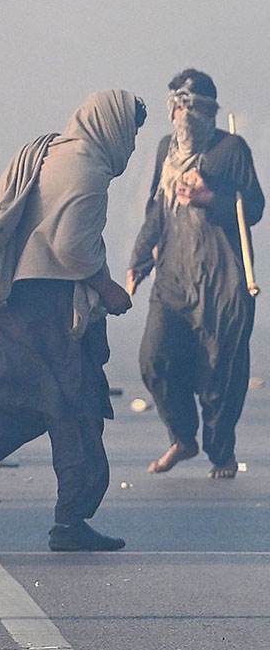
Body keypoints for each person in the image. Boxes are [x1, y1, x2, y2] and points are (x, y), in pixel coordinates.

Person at [0, 91, 147, 551]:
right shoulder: (88, 173)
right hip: (50, 309)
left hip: (19, 303)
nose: (134, 144)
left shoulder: (47, 151)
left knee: (26, 408)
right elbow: (72, 249)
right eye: (134, 132)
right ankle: (69, 520)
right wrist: (107, 289)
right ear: (114, 125)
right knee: (76, 411)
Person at [128, 69, 262, 479]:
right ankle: (182, 437)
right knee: (155, 359)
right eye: (178, 106)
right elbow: (157, 210)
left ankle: (221, 452)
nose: (184, 114)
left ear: (210, 112)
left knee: (220, 372)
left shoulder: (232, 149)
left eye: (194, 107)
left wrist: (210, 197)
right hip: (172, 278)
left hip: (223, 282)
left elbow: (253, 208)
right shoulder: (166, 150)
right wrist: (138, 260)